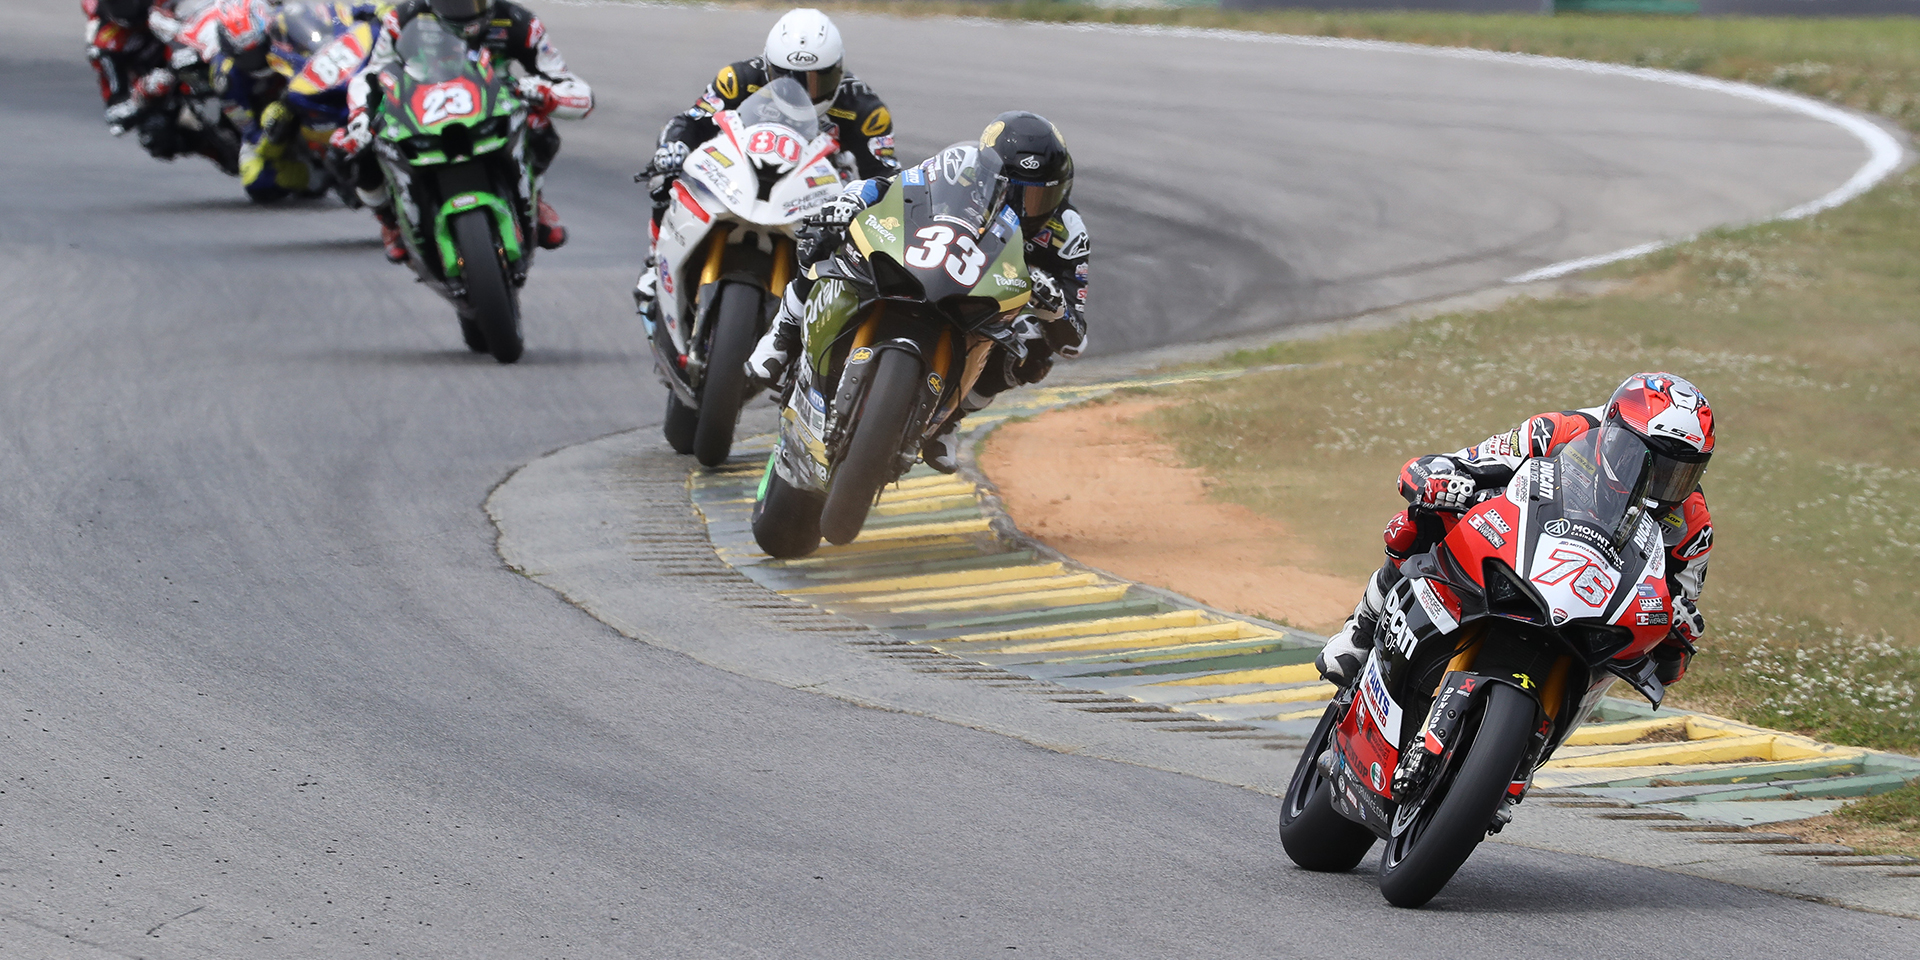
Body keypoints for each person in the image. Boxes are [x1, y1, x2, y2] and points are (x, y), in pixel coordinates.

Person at [1314, 372, 1716, 689]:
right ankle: (1362, 631)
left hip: (1590, 614)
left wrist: (1679, 627)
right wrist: (1445, 480)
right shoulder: (1558, 431)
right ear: (1614, 431)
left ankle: (1520, 757)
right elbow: (1469, 461)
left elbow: (1676, 634)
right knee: (1419, 521)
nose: (1659, 484)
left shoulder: (1693, 525)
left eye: (1678, 474)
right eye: (1650, 463)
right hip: (1515, 550)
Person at [741, 111, 1089, 474]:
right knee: (823, 235)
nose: (1023, 207)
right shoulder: (961, 168)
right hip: (928, 260)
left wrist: (1055, 308)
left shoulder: (1068, 234)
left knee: (1033, 346)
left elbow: (1074, 341)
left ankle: (950, 420)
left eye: (1037, 198)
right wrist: (851, 201)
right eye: (1015, 191)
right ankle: (782, 335)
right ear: (988, 171)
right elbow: (893, 185)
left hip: (990, 300)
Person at [633, 7, 896, 310]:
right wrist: (673, 146)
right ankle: (655, 261)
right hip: (740, 173)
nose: (803, 91)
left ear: (838, 71)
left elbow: (886, 174)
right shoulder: (738, 78)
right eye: (788, 78)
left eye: (817, 81)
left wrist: (862, 202)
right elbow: (692, 121)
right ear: (769, 67)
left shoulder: (866, 110)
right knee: (665, 177)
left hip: (814, 194)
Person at [329, 0, 592, 262]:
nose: (464, 8)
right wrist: (360, 118)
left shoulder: (520, 22)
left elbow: (572, 87)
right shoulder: (403, 18)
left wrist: (545, 93)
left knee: (539, 127)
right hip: (422, 108)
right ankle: (389, 218)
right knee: (346, 148)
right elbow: (372, 74)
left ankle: (534, 198)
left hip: (495, 106)